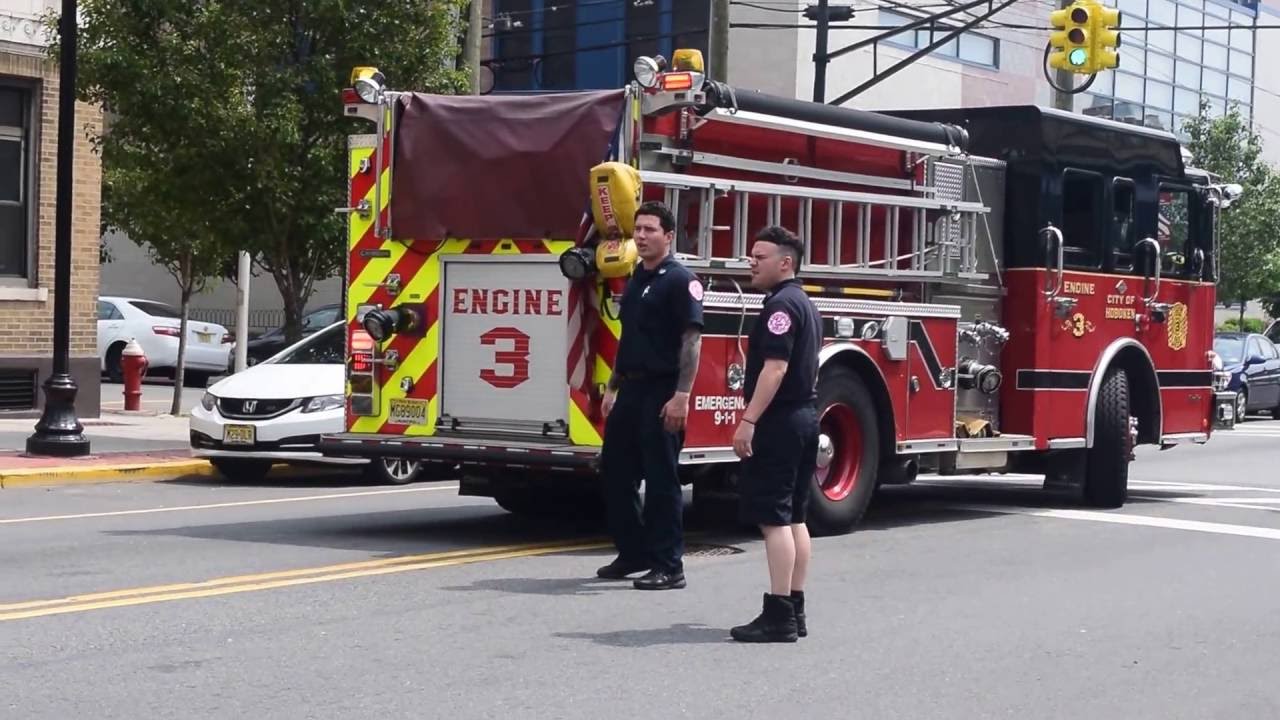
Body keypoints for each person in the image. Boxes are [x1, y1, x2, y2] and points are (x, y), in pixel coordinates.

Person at [595, 200, 704, 590]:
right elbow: (629, 338)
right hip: (632, 388)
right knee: (616, 473)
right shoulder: (637, 275)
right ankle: (633, 552)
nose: (641, 236)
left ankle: (669, 564)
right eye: (637, 229)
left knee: (661, 480)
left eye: (650, 230)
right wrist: (612, 386)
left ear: (668, 236)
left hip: (663, 389)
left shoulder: (680, 280)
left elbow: (691, 341)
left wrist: (682, 395)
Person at [729, 225, 822, 643]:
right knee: (796, 516)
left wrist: (748, 420)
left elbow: (775, 368)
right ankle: (796, 609)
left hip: (781, 420)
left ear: (786, 262)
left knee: (774, 519)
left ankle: (778, 614)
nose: (752, 262)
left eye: (760, 256)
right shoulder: (803, 301)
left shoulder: (781, 306)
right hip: (805, 416)